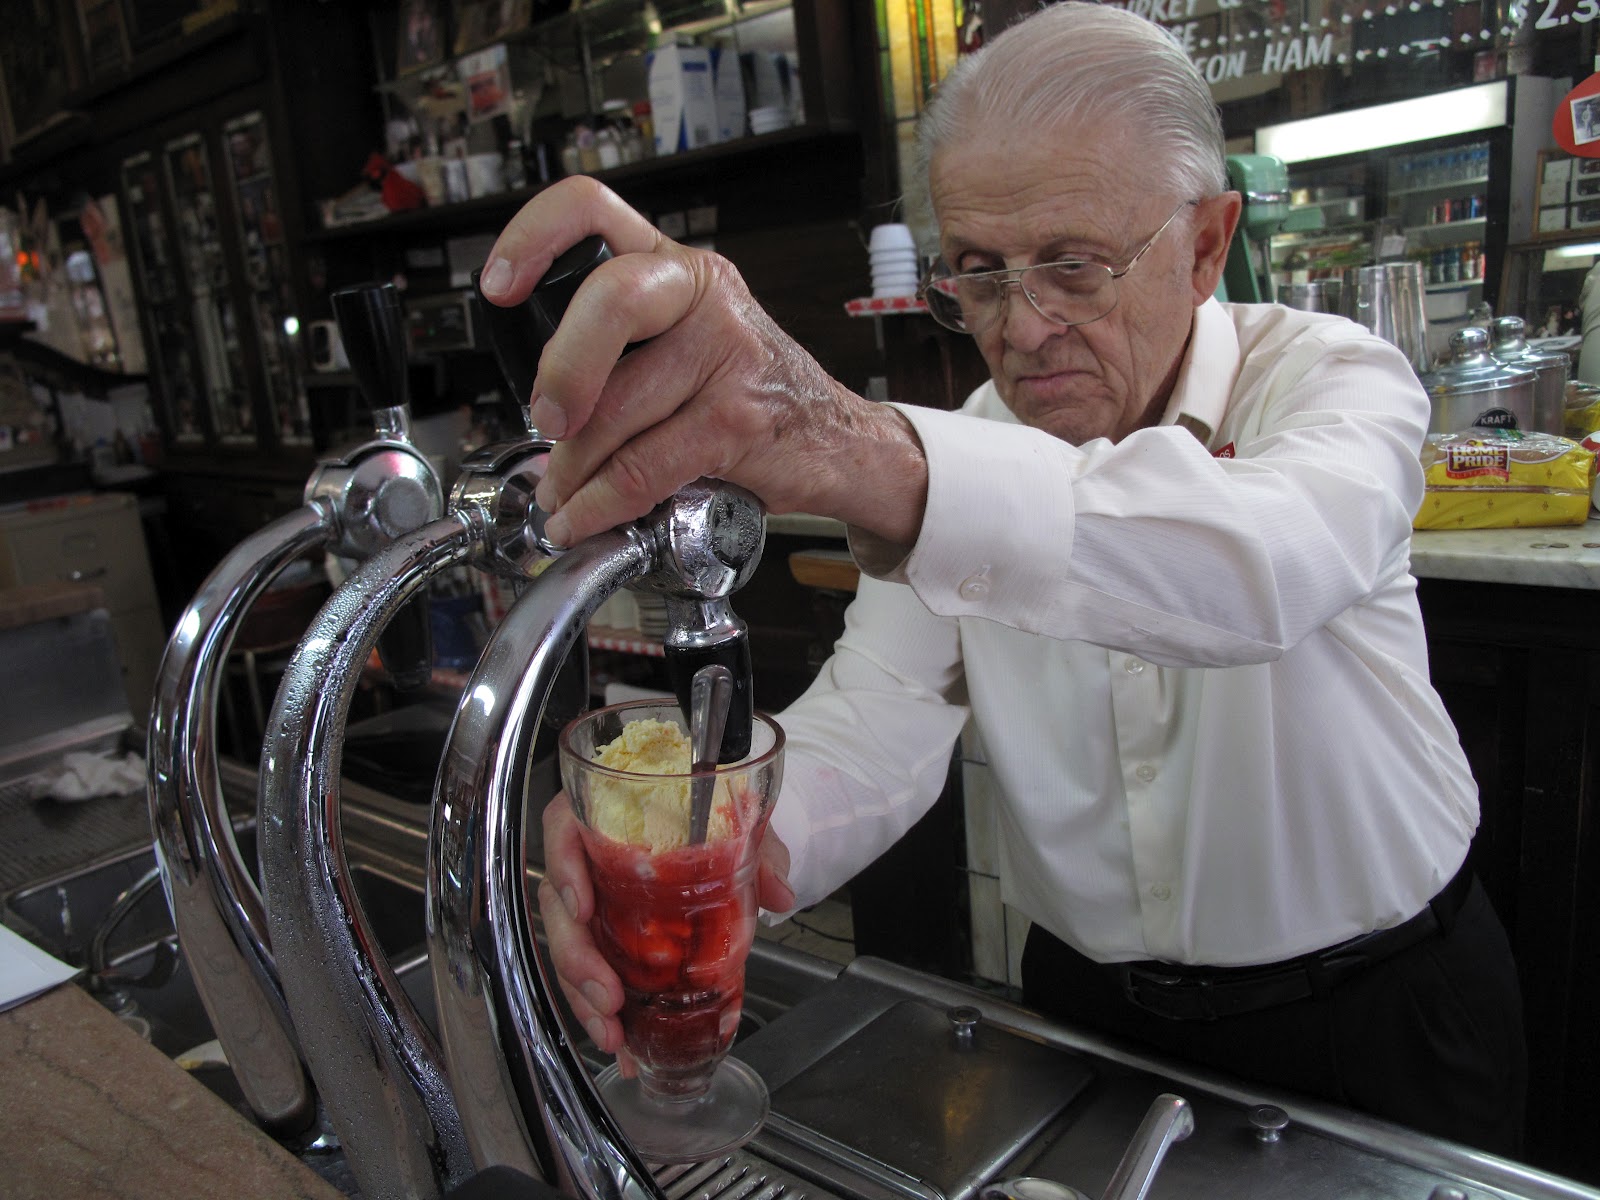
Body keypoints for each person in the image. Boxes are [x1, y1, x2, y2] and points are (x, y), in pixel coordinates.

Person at [478, 2, 1526, 1155]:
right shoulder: (967, 441)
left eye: (1072, 268)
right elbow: (878, 715)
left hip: (1378, 1017)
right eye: (978, 274)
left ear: (1207, 243)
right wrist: (700, 844)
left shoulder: (1334, 382)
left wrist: (850, 447)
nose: (1021, 330)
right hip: (1087, 1019)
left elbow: (1263, 569)